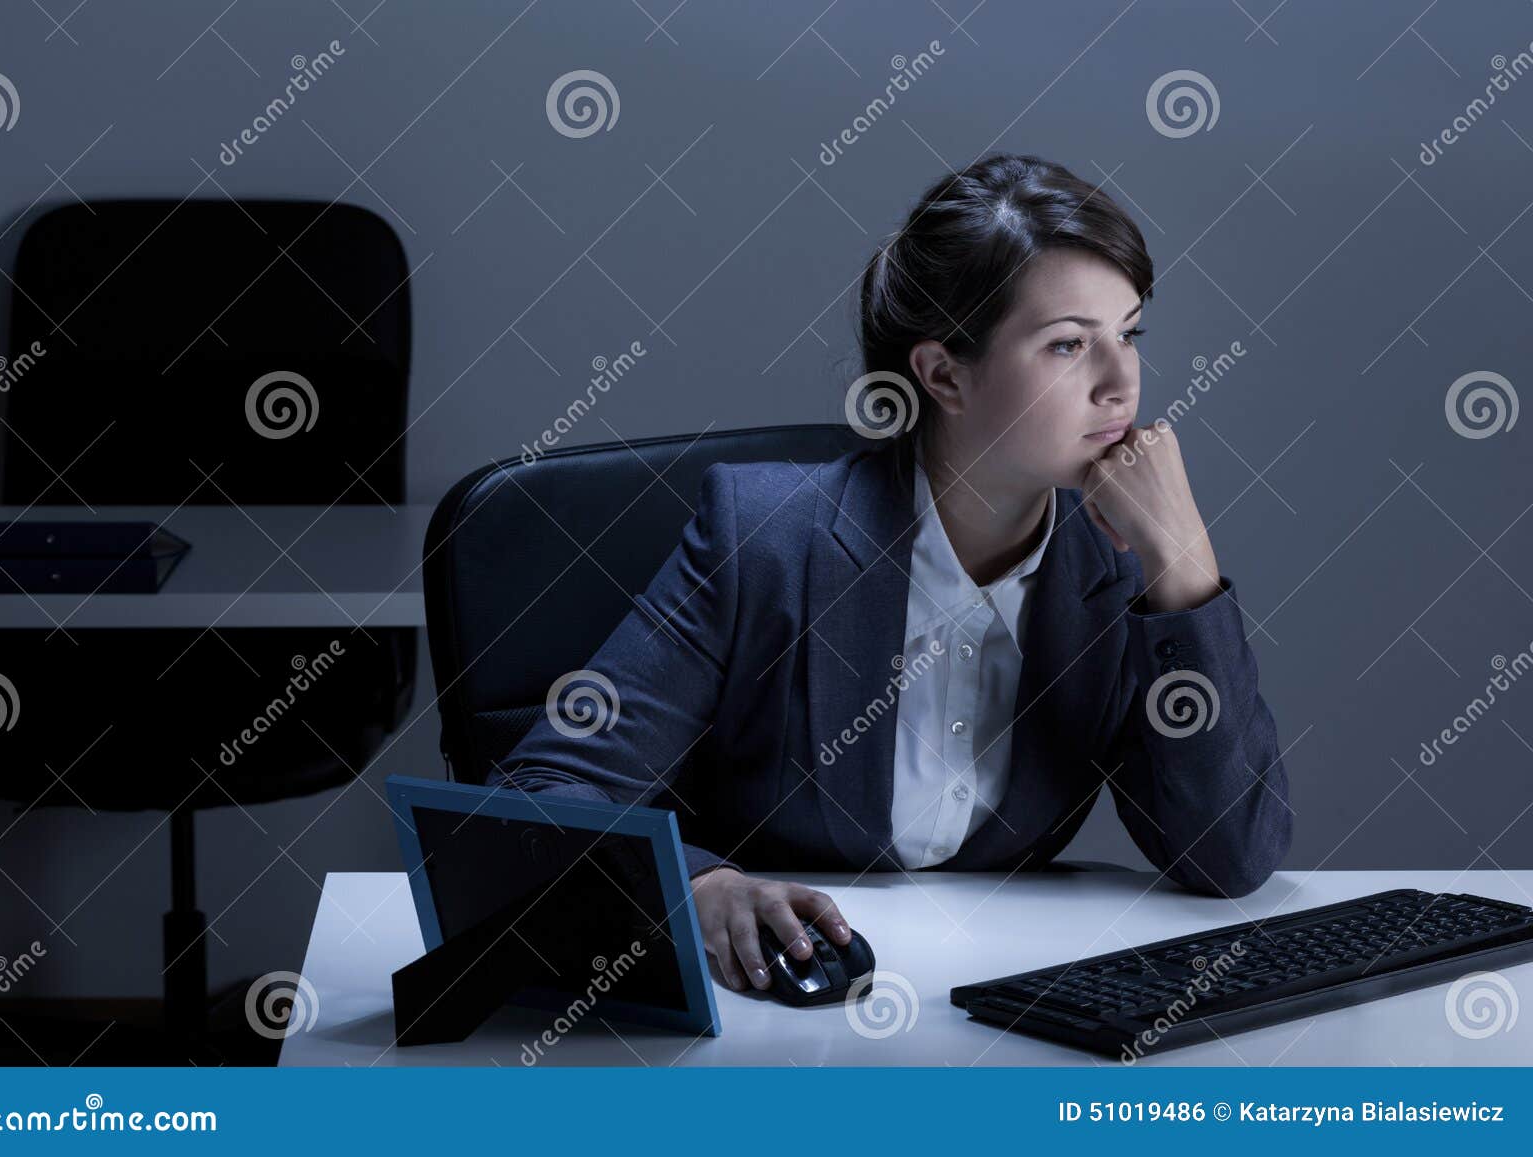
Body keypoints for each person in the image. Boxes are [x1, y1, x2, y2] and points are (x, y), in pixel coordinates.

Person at [488, 152, 1291, 996]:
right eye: (1067, 345)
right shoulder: (763, 536)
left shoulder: (1119, 565)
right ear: (943, 373)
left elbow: (1228, 854)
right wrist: (698, 886)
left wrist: (1185, 567)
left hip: (993, 1005)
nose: (1120, 382)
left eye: (1129, 334)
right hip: (765, 1017)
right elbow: (541, 793)